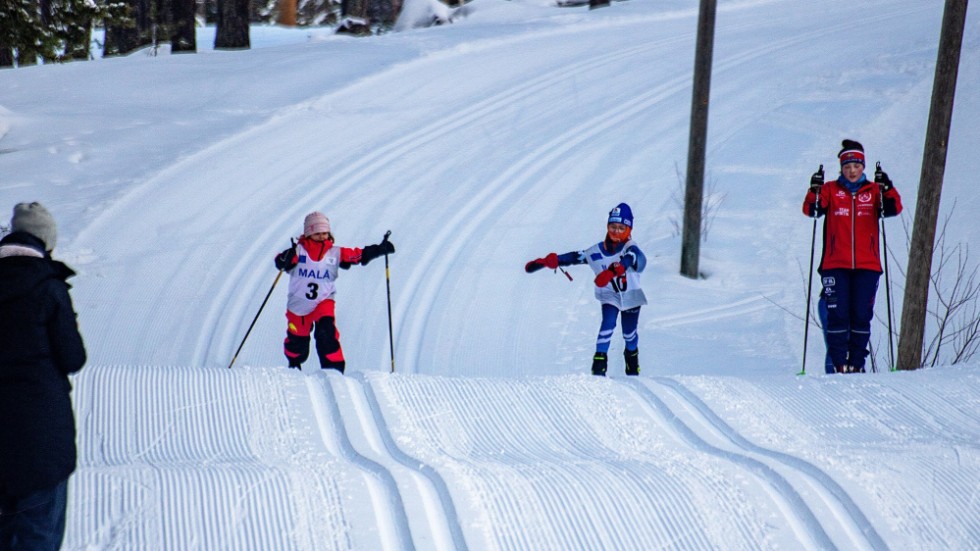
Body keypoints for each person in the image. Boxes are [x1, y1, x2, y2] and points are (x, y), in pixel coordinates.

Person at [0, 202, 87, 551]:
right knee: (37, 536)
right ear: (47, 244)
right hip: (40, 444)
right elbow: (73, 358)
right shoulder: (50, 288)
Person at [803, 139, 902, 373]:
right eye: (847, 167)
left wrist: (887, 187)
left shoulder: (873, 190)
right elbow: (812, 211)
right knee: (838, 315)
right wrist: (813, 190)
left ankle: (857, 364)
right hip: (835, 264)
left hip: (868, 265)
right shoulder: (830, 189)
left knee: (861, 315)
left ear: (863, 166)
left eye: (856, 166)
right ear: (841, 169)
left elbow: (893, 209)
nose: (852, 171)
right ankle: (839, 364)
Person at [525, 203, 648, 376]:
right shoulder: (597, 251)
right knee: (607, 325)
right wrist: (551, 261)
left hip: (630, 296)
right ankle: (599, 366)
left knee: (629, 334)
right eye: (613, 227)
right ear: (608, 227)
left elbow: (635, 258)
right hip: (610, 295)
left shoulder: (630, 247)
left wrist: (615, 270)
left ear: (629, 229)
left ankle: (632, 361)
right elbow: (578, 256)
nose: (617, 232)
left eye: (622, 228)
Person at [273, 212, 394, 372]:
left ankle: (334, 370)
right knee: (297, 341)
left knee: (327, 333)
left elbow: (358, 255)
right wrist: (283, 259)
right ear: (308, 233)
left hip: (323, 301)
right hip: (299, 303)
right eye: (317, 233)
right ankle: (294, 364)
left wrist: (379, 249)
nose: (322, 237)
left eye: (324, 233)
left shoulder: (335, 252)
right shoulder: (298, 251)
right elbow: (281, 262)